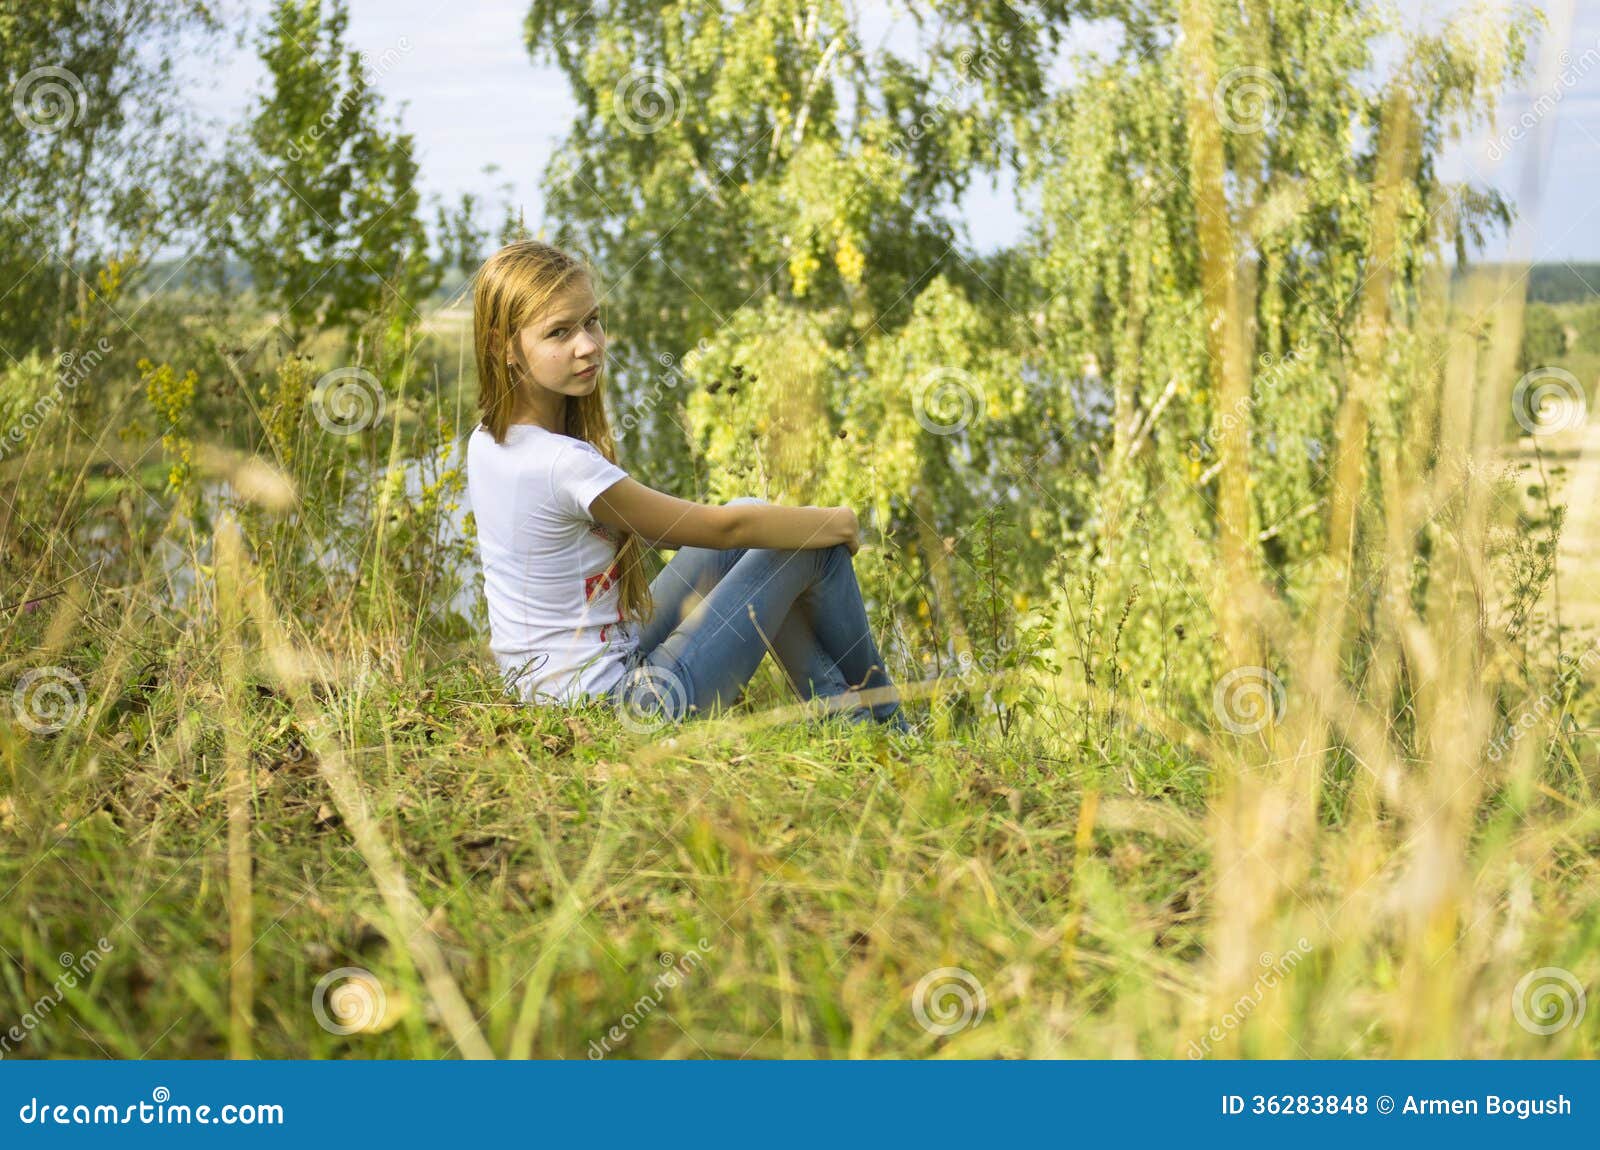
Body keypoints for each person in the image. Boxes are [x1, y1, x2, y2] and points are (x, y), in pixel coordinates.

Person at [464, 240, 906, 731]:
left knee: (762, 515)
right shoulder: (563, 464)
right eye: (559, 332)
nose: (588, 345)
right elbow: (725, 529)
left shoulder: (486, 442)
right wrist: (838, 520)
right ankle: (888, 722)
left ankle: (845, 716)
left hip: (556, 694)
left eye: (591, 321)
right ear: (503, 345)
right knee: (809, 545)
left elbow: (697, 530)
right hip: (623, 712)